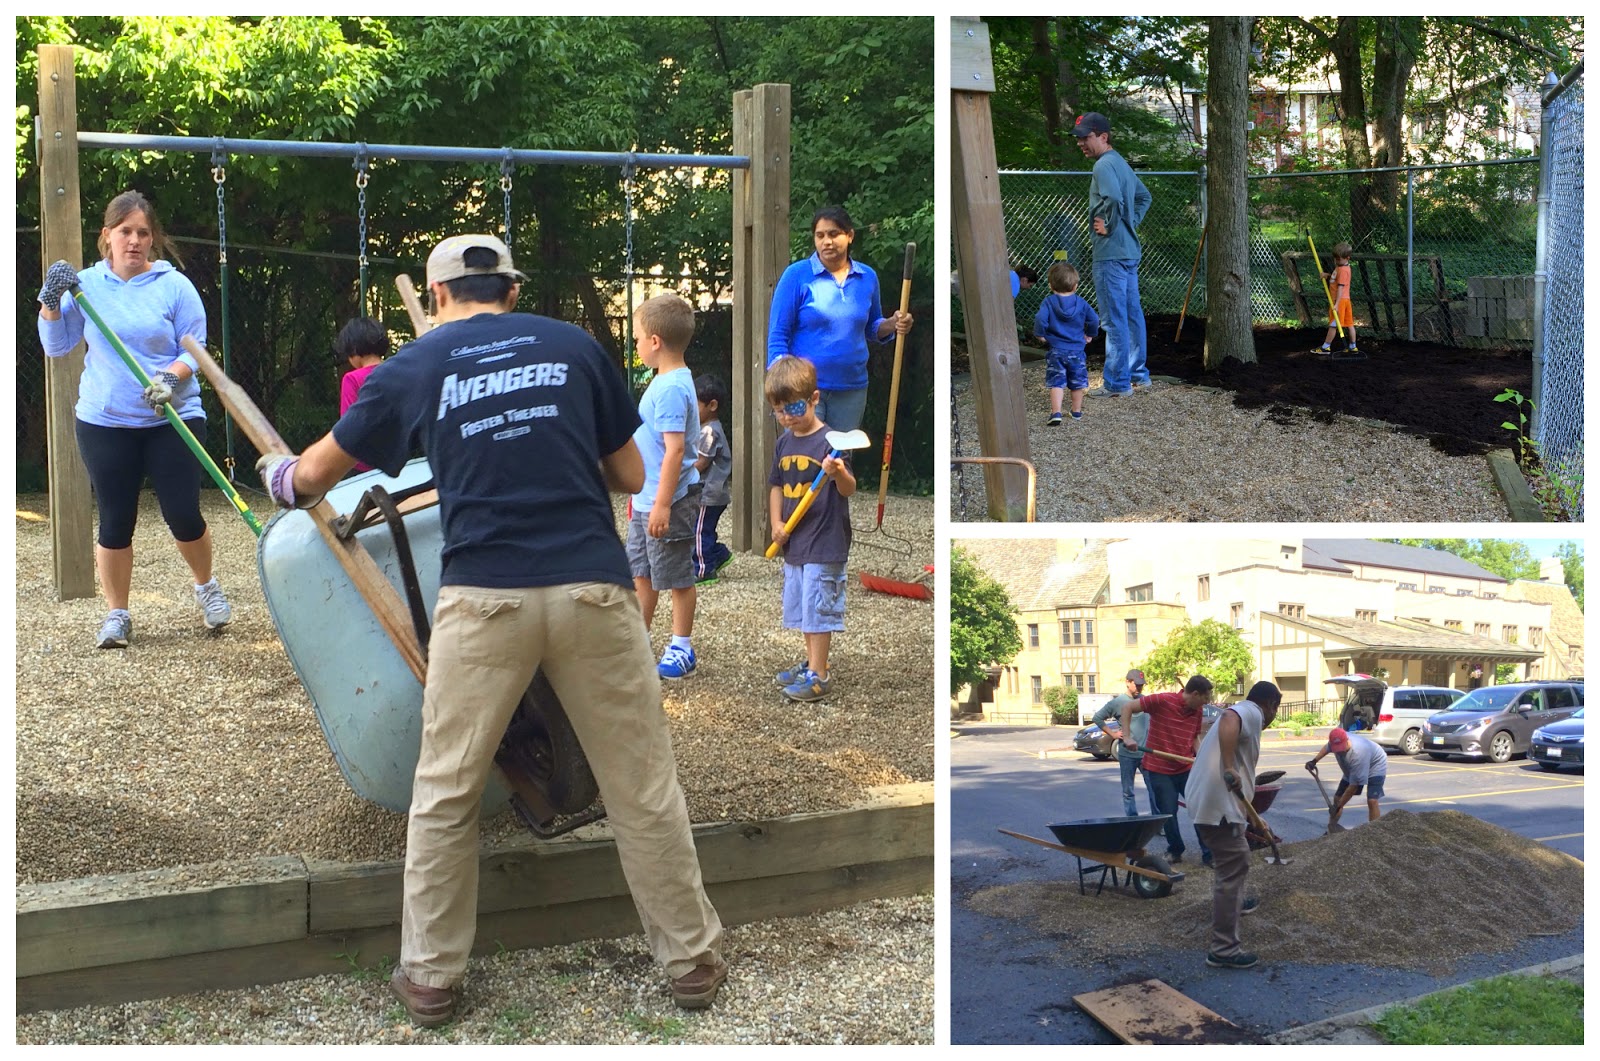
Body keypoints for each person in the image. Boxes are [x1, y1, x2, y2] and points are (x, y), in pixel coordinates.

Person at [256, 234, 726, 1026]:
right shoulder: (575, 347)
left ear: (438, 299)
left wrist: (280, 477)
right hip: (592, 591)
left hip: (484, 600)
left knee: (446, 788)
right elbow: (633, 476)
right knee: (640, 782)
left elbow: (312, 476)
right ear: (511, 290)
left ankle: (433, 976)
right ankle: (691, 960)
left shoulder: (416, 366)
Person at [36, 190, 232, 649]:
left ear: (153, 240)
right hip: (106, 421)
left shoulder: (174, 286)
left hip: (173, 416)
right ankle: (117, 615)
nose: (135, 241)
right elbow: (57, 345)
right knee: (115, 520)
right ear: (107, 236)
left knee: (183, 513)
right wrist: (49, 302)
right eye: (125, 231)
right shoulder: (86, 286)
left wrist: (170, 376)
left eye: (144, 233)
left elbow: (196, 350)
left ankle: (205, 586)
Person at [766, 206, 913, 432]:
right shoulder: (796, 276)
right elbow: (778, 334)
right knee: (806, 457)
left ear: (850, 236)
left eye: (834, 234)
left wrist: (892, 324)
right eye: (820, 235)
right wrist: (780, 384)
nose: (827, 241)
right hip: (802, 390)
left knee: (840, 459)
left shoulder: (867, 277)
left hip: (851, 389)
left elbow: (871, 328)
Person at [766, 355, 856, 703]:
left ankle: (819, 675)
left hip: (825, 539)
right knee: (804, 607)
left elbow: (848, 490)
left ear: (815, 399)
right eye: (779, 410)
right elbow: (776, 485)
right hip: (795, 541)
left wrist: (839, 473)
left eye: (795, 407)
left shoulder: (834, 442)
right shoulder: (784, 443)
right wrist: (776, 523)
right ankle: (811, 663)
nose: (787, 416)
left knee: (819, 608)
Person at [627, 294, 704, 680]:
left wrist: (660, 505)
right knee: (642, 572)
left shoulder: (672, 387)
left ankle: (681, 647)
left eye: (638, 337)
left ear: (655, 341)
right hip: (648, 498)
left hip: (668, 500)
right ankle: (637, 644)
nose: (636, 344)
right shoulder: (664, 381)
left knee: (674, 575)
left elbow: (675, 451)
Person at [1185, 681, 1282, 971]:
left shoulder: (1248, 713)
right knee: (1235, 862)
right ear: (1271, 705)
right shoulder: (1251, 712)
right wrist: (1228, 766)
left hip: (1213, 803)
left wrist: (1253, 816)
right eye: (1275, 710)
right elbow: (1228, 717)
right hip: (1217, 807)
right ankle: (1223, 950)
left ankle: (1236, 902)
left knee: (1234, 863)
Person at [1073, 113, 1152, 399]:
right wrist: (1130, 223)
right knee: (1132, 315)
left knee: (1114, 319)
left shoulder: (1103, 166)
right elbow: (1144, 197)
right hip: (1129, 252)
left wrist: (1109, 223)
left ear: (1103, 136)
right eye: (1079, 137)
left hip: (1110, 255)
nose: (1081, 142)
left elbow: (1115, 199)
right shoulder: (1120, 163)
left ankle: (1117, 383)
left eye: (1086, 137)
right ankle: (1138, 375)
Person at [1120, 674, 1212, 866]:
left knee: (1201, 807)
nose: (1207, 701)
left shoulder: (1197, 710)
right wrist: (1127, 737)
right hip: (1159, 769)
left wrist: (1201, 758)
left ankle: (1209, 853)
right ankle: (1175, 850)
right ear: (1195, 694)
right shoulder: (1162, 700)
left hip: (1185, 767)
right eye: (1206, 697)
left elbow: (1194, 737)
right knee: (1169, 812)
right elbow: (1128, 707)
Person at [1032, 261, 1101, 426]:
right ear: (1075, 286)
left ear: (1051, 285)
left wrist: (1040, 334)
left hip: (1056, 349)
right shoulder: (1082, 303)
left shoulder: (1049, 302)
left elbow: (1040, 319)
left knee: (1056, 381)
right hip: (1077, 350)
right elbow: (1094, 319)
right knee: (1077, 381)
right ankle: (1076, 411)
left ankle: (1056, 412)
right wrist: (1090, 334)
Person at [1092, 669, 1156, 817]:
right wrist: (1113, 734)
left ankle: (1158, 822)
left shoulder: (1145, 700)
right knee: (1128, 791)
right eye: (1136, 684)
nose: (1139, 688)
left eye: (1141, 685)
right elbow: (1098, 718)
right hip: (1127, 754)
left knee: (1154, 789)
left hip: (1146, 753)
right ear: (1127, 682)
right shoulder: (1118, 702)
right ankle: (1133, 820)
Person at [692, 372, 733, 585]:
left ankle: (703, 570)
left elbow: (701, 462)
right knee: (703, 528)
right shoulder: (706, 429)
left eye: (695, 404)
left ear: (712, 405)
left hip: (710, 492)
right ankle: (719, 554)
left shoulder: (710, 432)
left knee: (699, 530)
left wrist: (681, 474)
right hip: (711, 492)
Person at [335, 316, 389, 473]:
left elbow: (348, 427)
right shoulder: (397, 371)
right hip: (395, 459)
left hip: (361, 465)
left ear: (354, 350)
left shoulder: (352, 379)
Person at [1306, 727, 1386, 824]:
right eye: (1337, 749)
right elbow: (1326, 748)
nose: (1339, 751)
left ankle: (1375, 830)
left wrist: (1339, 806)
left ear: (1347, 740)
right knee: (1337, 798)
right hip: (1351, 767)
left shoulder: (1359, 753)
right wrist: (1314, 761)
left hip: (1376, 766)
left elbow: (1353, 787)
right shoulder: (1335, 740)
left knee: (1372, 800)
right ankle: (1332, 829)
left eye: (1341, 748)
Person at [1312, 242, 1357, 356]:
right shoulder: (1342, 267)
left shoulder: (1342, 270)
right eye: (1335, 259)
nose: (1336, 261)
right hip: (1345, 300)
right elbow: (1335, 279)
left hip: (1340, 301)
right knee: (1349, 323)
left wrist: (1336, 304)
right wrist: (1327, 275)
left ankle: (1326, 347)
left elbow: (1340, 288)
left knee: (1333, 324)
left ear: (1347, 258)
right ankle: (1353, 346)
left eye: (1339, 259)